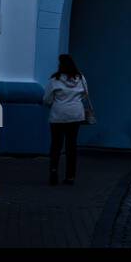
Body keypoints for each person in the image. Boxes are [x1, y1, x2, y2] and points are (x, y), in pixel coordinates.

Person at [42, 53, 90, 185]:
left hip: (58, 115)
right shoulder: (80, 78)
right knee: (71, 146)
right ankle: (70, 176)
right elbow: (85, 94)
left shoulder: (55, 80)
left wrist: (55, 103)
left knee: (56, 145)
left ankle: (53, 171)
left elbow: (46, 99)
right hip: (75, 115)